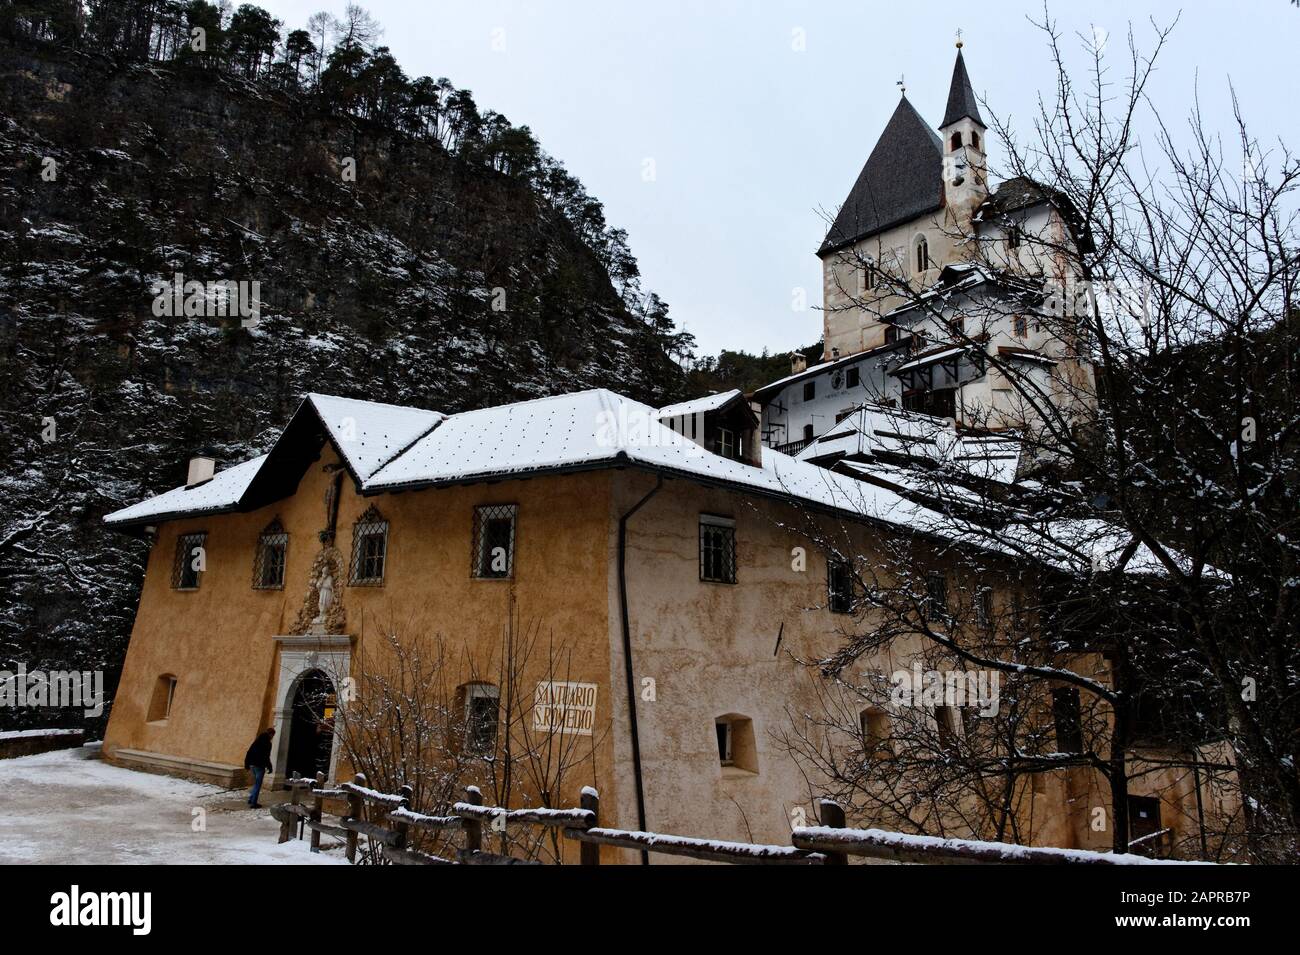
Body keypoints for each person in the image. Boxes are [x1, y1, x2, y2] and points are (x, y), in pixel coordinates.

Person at [243, 727, 274, 808]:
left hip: (252, 765)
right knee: (257, 784)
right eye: (272, 735)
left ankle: (251, 799)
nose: (272, 737)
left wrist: (246, 764)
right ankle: (254, 803)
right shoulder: (268, 743)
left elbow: (249, 752)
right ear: (271, 734)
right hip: (259, 766)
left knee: (255, 783)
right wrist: (270, 767)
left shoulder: (256, 741)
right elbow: (266, 756)